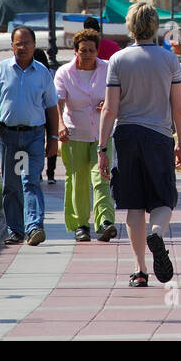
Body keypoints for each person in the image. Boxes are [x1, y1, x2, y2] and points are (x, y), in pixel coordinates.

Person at [98, 2, 181, 287]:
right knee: (163, 199)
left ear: (130, 26)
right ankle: (157, 233)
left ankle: (139, 270)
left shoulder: (118, 59)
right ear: (154, 25)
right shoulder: (169, 60)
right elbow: (179, 108)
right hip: (158, 136)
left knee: (133, 206)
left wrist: (101, 148)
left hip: (126, 136)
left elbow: (109, 109)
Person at [0, 26, 60, 246]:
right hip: (9, 136)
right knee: (12, 184)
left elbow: (52, 107)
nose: (23, 47)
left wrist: (54, 138)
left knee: (31, 181)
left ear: (34, 46)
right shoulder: (1, 70)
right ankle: (15, 229)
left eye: (27, 43)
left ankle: (34, 227)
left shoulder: (42, 72)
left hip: (33, 136)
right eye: (18, 43)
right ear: (12, 46)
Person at [54, 28, 116, 243]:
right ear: (75, 51)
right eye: (83, 50)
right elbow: (58, 102)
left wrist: (108, 103)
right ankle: (81, 225)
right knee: (77, 180)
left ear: (97, 51)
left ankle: (105, 222)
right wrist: (60, 124)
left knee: (101, 177)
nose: (88, 54)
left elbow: (119, 96)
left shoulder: (107, 70)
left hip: (102, 133)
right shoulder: (64, 73)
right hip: (75, 133)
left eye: (91, 50)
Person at [32, 47, 60, 185]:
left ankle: (38, 173)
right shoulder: (53, 73)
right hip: (51, 111)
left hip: (37, 112)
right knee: (52, 140)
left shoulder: (33, 73)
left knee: (37, 142)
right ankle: (51, 174)